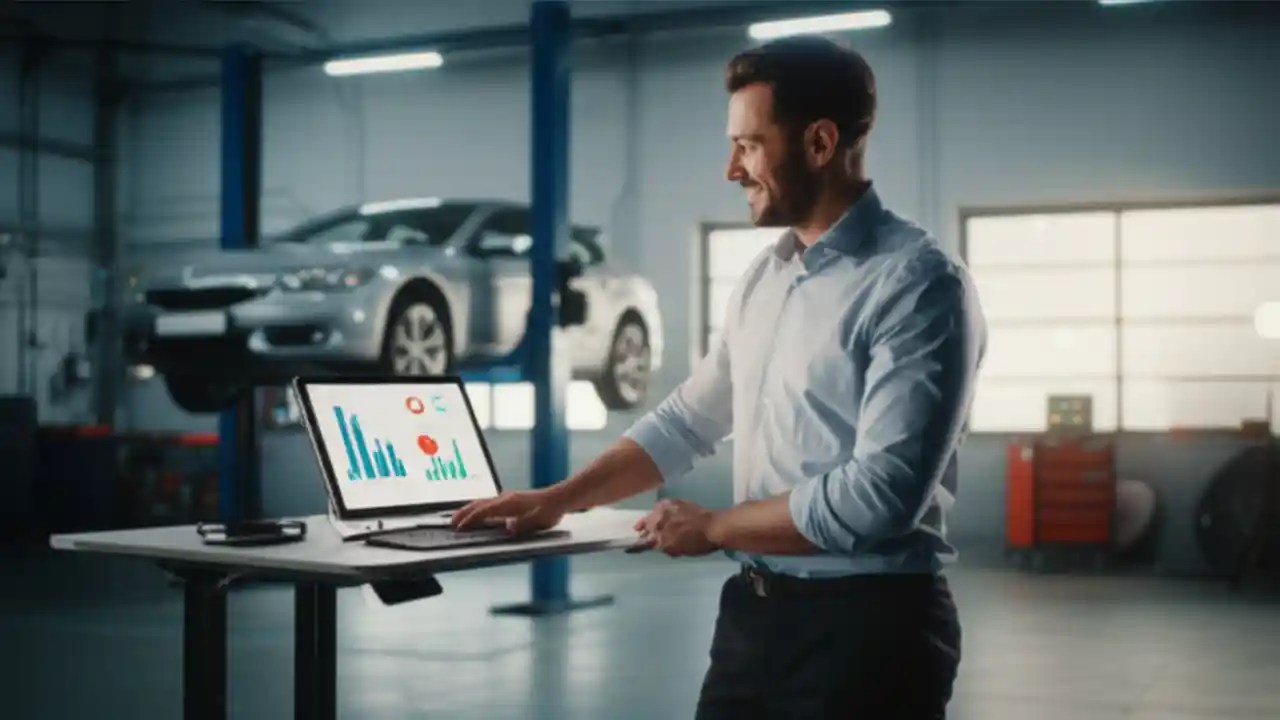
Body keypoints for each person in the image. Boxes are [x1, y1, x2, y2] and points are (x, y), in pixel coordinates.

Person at [453, 35, 986, 720]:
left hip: (867, 633)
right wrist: (561, 497)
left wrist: (716, 526)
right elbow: (687, 420)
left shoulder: (917, 284)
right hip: (755, 619)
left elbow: (879, 498)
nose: (730, 169)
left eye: (749, 145)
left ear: (821, 142)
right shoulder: (769, 275)